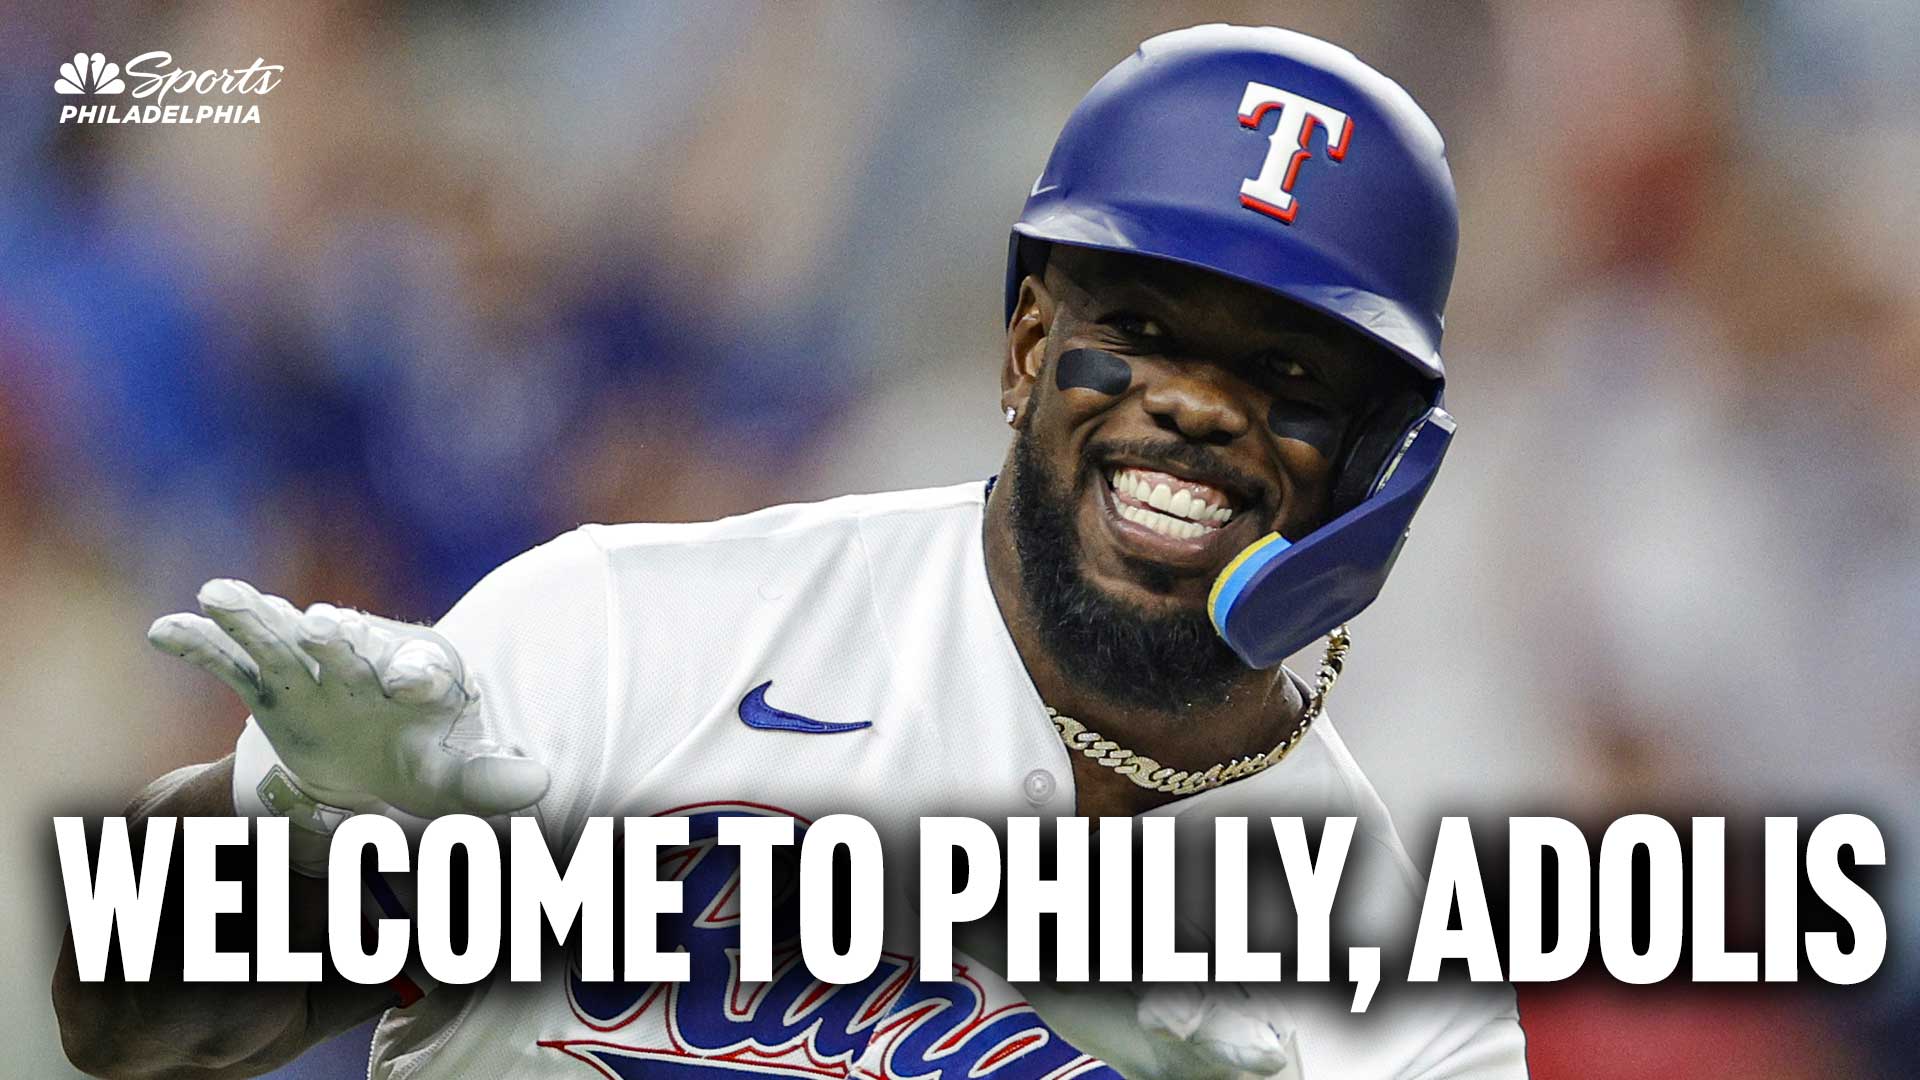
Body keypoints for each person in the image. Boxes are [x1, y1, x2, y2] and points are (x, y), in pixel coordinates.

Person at [53, 24, 1525, 1079]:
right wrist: (309, 837)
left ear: (1380, 460)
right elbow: (123, 1026)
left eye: (1289, 376)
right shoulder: (629, 632)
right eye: (1138, 331)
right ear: (1026, 345)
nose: (1195, 406)